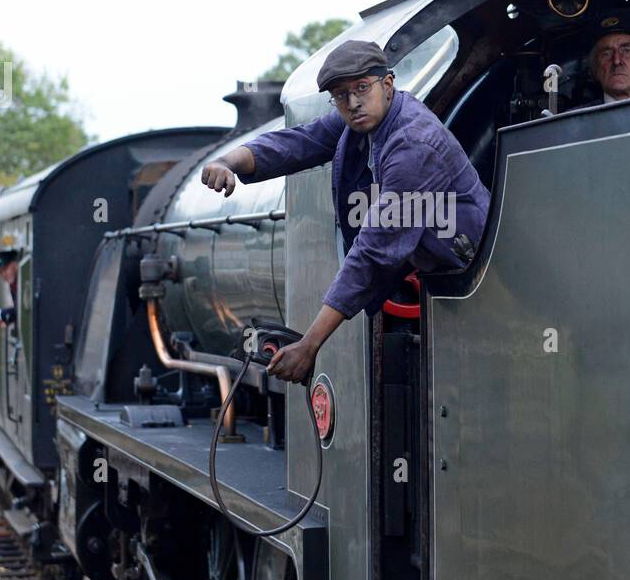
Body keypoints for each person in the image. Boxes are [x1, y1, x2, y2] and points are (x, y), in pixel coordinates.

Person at [201, 40, 491, 383]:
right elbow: (297, 143)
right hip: (443, 277)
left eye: (361, 88)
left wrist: (309, 345)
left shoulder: (413, 144)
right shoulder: (363, 121)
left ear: (387, 84)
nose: (353, 103)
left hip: (477, 277)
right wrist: (226, 161)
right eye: (340, 95)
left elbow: (373, 250)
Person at [588, 9, 630, 102]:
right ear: (595, 69)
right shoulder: (577, 116)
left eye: (626, 51)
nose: (616, 61)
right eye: (606, 54)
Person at [0, 251, 19, 327]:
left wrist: (1, 314)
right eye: (0, 272)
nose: (4, 274)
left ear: (15, 263)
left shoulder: (25, 279)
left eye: (5, 269)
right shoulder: (13, 285)